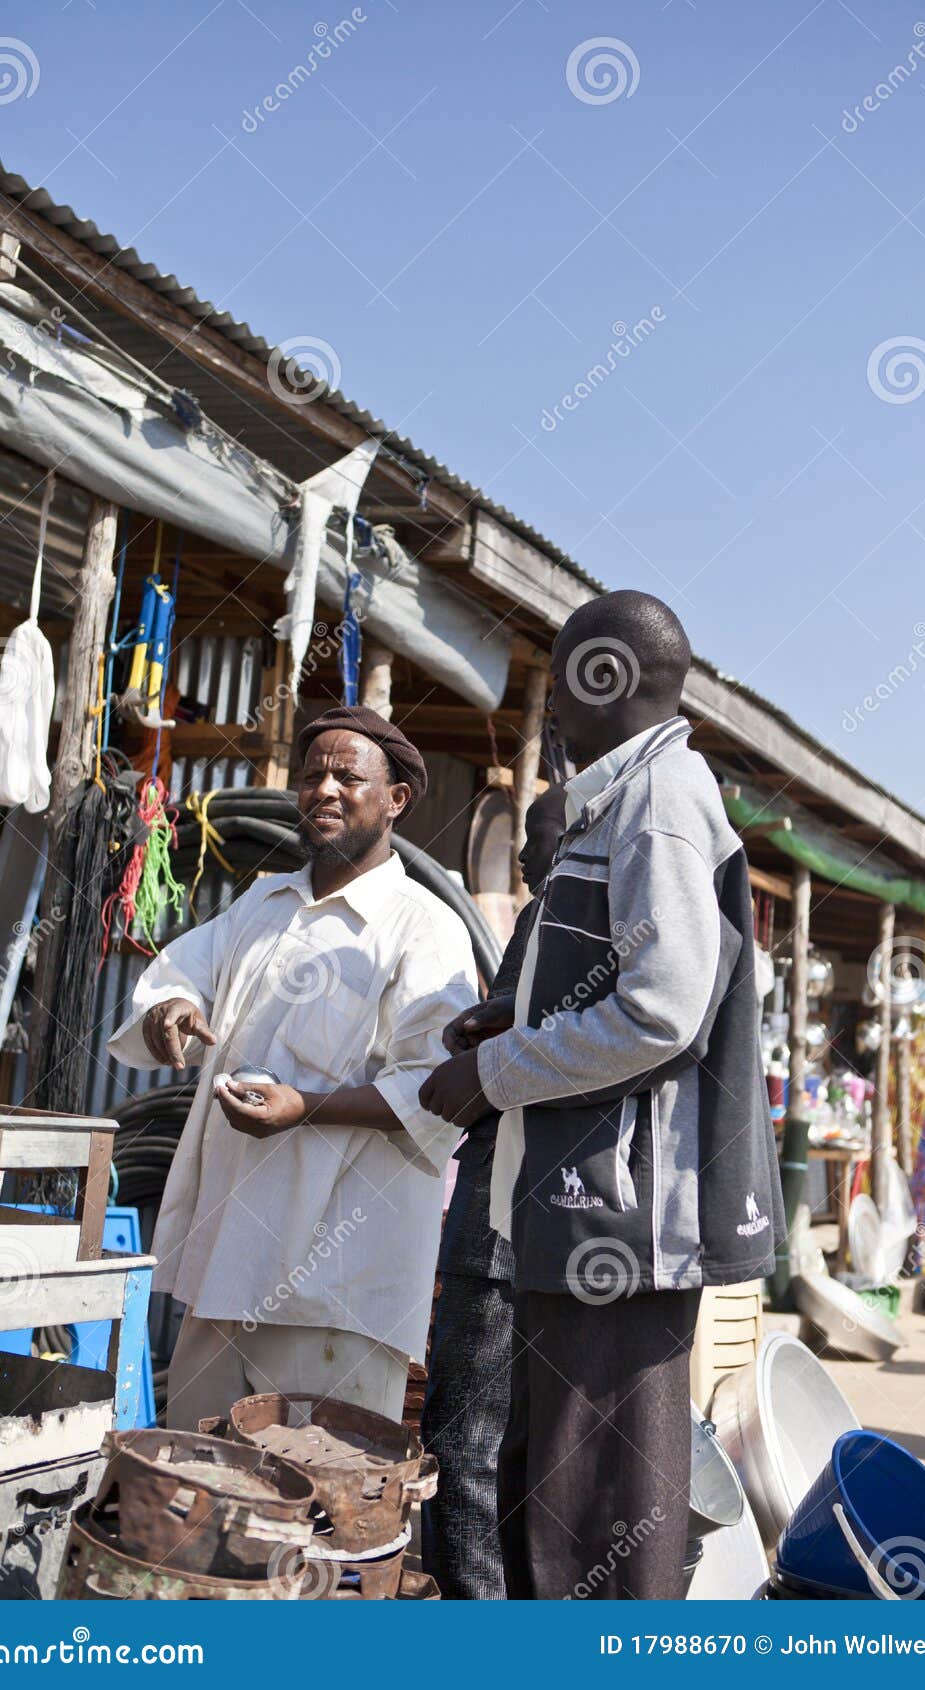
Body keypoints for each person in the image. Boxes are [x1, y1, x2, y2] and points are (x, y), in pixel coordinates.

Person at [420, 590, 785, 1600]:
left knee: (591, 1528)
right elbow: (633, 983)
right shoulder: (623, 801)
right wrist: (514, 1020)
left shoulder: (660, 799)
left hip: (616, 1228)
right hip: (578, 1222)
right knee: (551, 1504)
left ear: (604, 677)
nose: (549, 710)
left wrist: (491, 1075)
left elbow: (660, 1010)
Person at [108, 705, 476, 1429]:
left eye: (348, 777)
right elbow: (182, 971)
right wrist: (171, 1008)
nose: (325, 791)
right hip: (225, 1267)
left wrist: (305, 1108)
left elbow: (438, 1089)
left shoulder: (423, 929)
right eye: (312, 777)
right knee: (197, 1486)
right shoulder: (265, 901)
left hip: (334, 1288)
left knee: (318, 1505)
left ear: (395, 799)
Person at [421, 785, 567, 1601]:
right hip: (547, 1230)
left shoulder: (564, 918)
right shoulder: (561, 925)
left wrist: (478, 1066)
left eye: (540, 843)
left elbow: (534, 1062)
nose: (525, 858)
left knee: (465, 1449)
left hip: (505, 1225)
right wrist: (484, 1025)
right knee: (507, 1449)